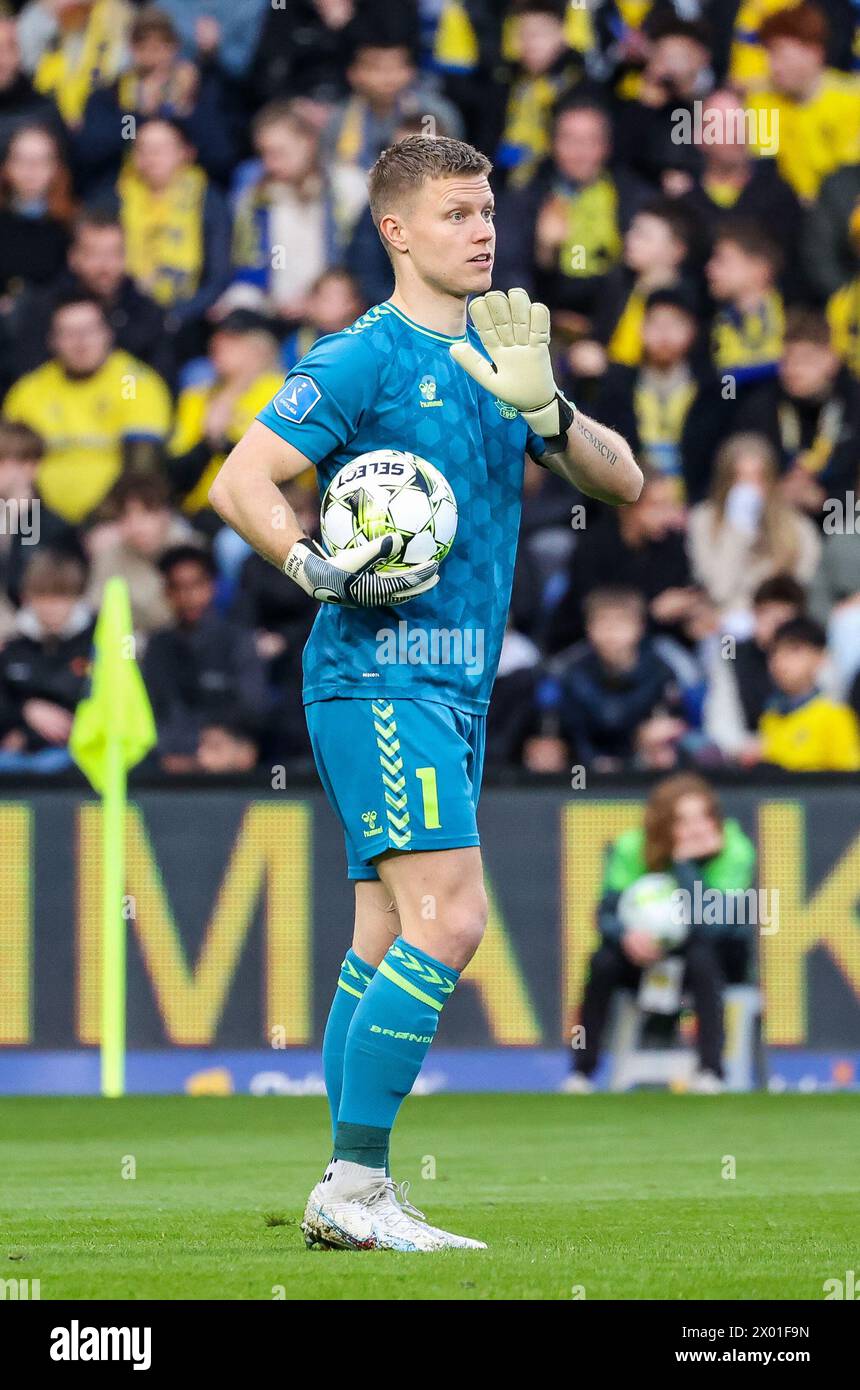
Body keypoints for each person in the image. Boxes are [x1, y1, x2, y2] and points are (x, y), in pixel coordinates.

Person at [208, 133, 641, 1251]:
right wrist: (308, 564)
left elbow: (626, 482)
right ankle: (353, 1186)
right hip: (375, 672)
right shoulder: (361, 357)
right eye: (454, 213)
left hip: (455, 691)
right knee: (452, 921)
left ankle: (352, 1186)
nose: (482, 228)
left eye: (486, 207)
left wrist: (547, 412)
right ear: (394, 230)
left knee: (380, 937)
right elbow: (240, 477)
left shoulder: (507, 350)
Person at [563, 773, 756, 1094]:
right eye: (683, 821)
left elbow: (713, 927)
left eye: (704, 817)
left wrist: (684, 865)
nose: (697, 829)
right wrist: (626, 935)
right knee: (603, 962)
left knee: (701, 956)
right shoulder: (631, 847)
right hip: (642, 957)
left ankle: (710, 1071)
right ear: (663, 825)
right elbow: (605, 912)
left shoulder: (734, 849)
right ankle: (581, 1073)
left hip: (713, 958)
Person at [2, 292, 172, 524]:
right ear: (52, 340)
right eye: (69, 333)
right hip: (39, 518)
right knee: (13, 517)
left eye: (89, 330)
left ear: (108, 333)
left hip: (115, 520)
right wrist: (48, 523)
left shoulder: (130, 382)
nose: (80, 342)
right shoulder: (29, 390)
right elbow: (10, 465)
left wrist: (97, 521)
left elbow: (141, 468)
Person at [8, 207, 174, 385]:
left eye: (114, 253)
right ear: (73, 258)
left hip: (126, 404)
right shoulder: (45, 309)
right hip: (58, 407)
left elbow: (154, 383)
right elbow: (28, 378)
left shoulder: (145, 312)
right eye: (94, 254)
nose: (105, 267)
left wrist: (127, 402)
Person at [142, 544, 268, 770]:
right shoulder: (159, 646)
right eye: (177, 587)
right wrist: (194, 748)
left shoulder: (237, 640)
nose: (188, 596)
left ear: (212, 586)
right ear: (167, 592)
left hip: (232, 748)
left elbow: (254, 705)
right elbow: (158, 710)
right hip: (173, 754)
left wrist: (221, 736)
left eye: (196, 584)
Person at [687, 431, 820, 635]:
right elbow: (719, 591)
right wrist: (738, 531)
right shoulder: (702, 520)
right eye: (740, 478)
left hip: (779, 629)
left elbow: (798, 593)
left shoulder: (799, 527)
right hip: (724, 625)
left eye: (757, 478)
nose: (748, 487)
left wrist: (765, 619)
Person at [0, 548, 94, 770]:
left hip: (80, 757)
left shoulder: (98, 641)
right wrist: (26, 710)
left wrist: (29, 734)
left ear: (77, 596)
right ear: (27, 597)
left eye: (60, 596)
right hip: (16, 759)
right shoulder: (12, 648)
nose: (50, 607)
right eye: (42, 596)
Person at [703, 574, 807, 763]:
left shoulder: (813, 653)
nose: (773, 627)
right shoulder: (731, 649)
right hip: (745, 752)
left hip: (803, 750)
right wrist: (743, 746)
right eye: (765, 616)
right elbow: (720, 718)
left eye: (782, 621)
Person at [754, 616, 860, 771]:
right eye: (774, 651)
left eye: (794, 650)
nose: (780, 660)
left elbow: (848, 781)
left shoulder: (834, 715)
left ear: (820, 656)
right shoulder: (770, 716)